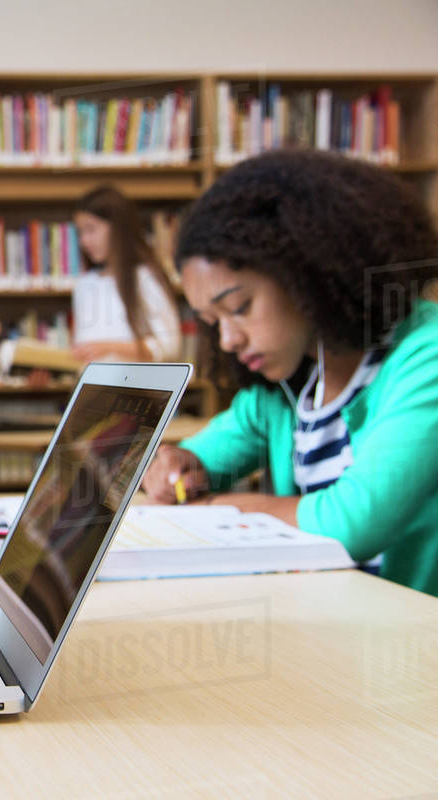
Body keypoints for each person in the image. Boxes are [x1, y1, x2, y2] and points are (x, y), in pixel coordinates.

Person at [141, 149, 438, 598]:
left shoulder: (425, 356)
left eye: (239, 308)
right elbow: (199, 458)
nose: (228, 340)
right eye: (212, 321)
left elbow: (351, 524)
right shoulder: (289, 382)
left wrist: (218, 507)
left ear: (308, 270)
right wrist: (173, 466)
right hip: (327, 627)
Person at [70, 185, 182, 362]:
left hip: (135, 387)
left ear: (118, 228)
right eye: (80, 232)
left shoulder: (145, 278)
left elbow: (170, 346)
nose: (84, 241)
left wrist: (109, 348)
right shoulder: (84, 284)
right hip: (91, 386)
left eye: (91, 229)